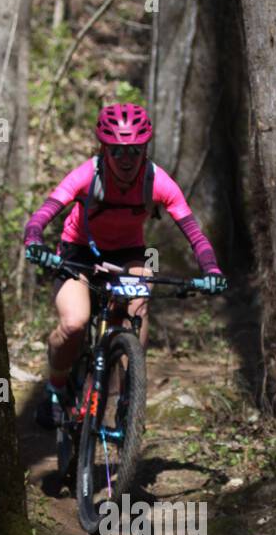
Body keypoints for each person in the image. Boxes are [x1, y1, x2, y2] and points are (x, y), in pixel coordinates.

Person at [24, 101, 227, 428]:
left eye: (135, 150)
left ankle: (131, 394)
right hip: (79, 252)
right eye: (117, 151)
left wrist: (212, 271)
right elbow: (43, 214)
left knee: (137, 308)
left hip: (127, 255)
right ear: (104, 148)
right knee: (75, 322)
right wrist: (34, 241)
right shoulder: (86, 175)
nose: (127, 159)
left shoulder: (158, 181)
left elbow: (194, 233)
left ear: (145, 148)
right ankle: (55, 389)